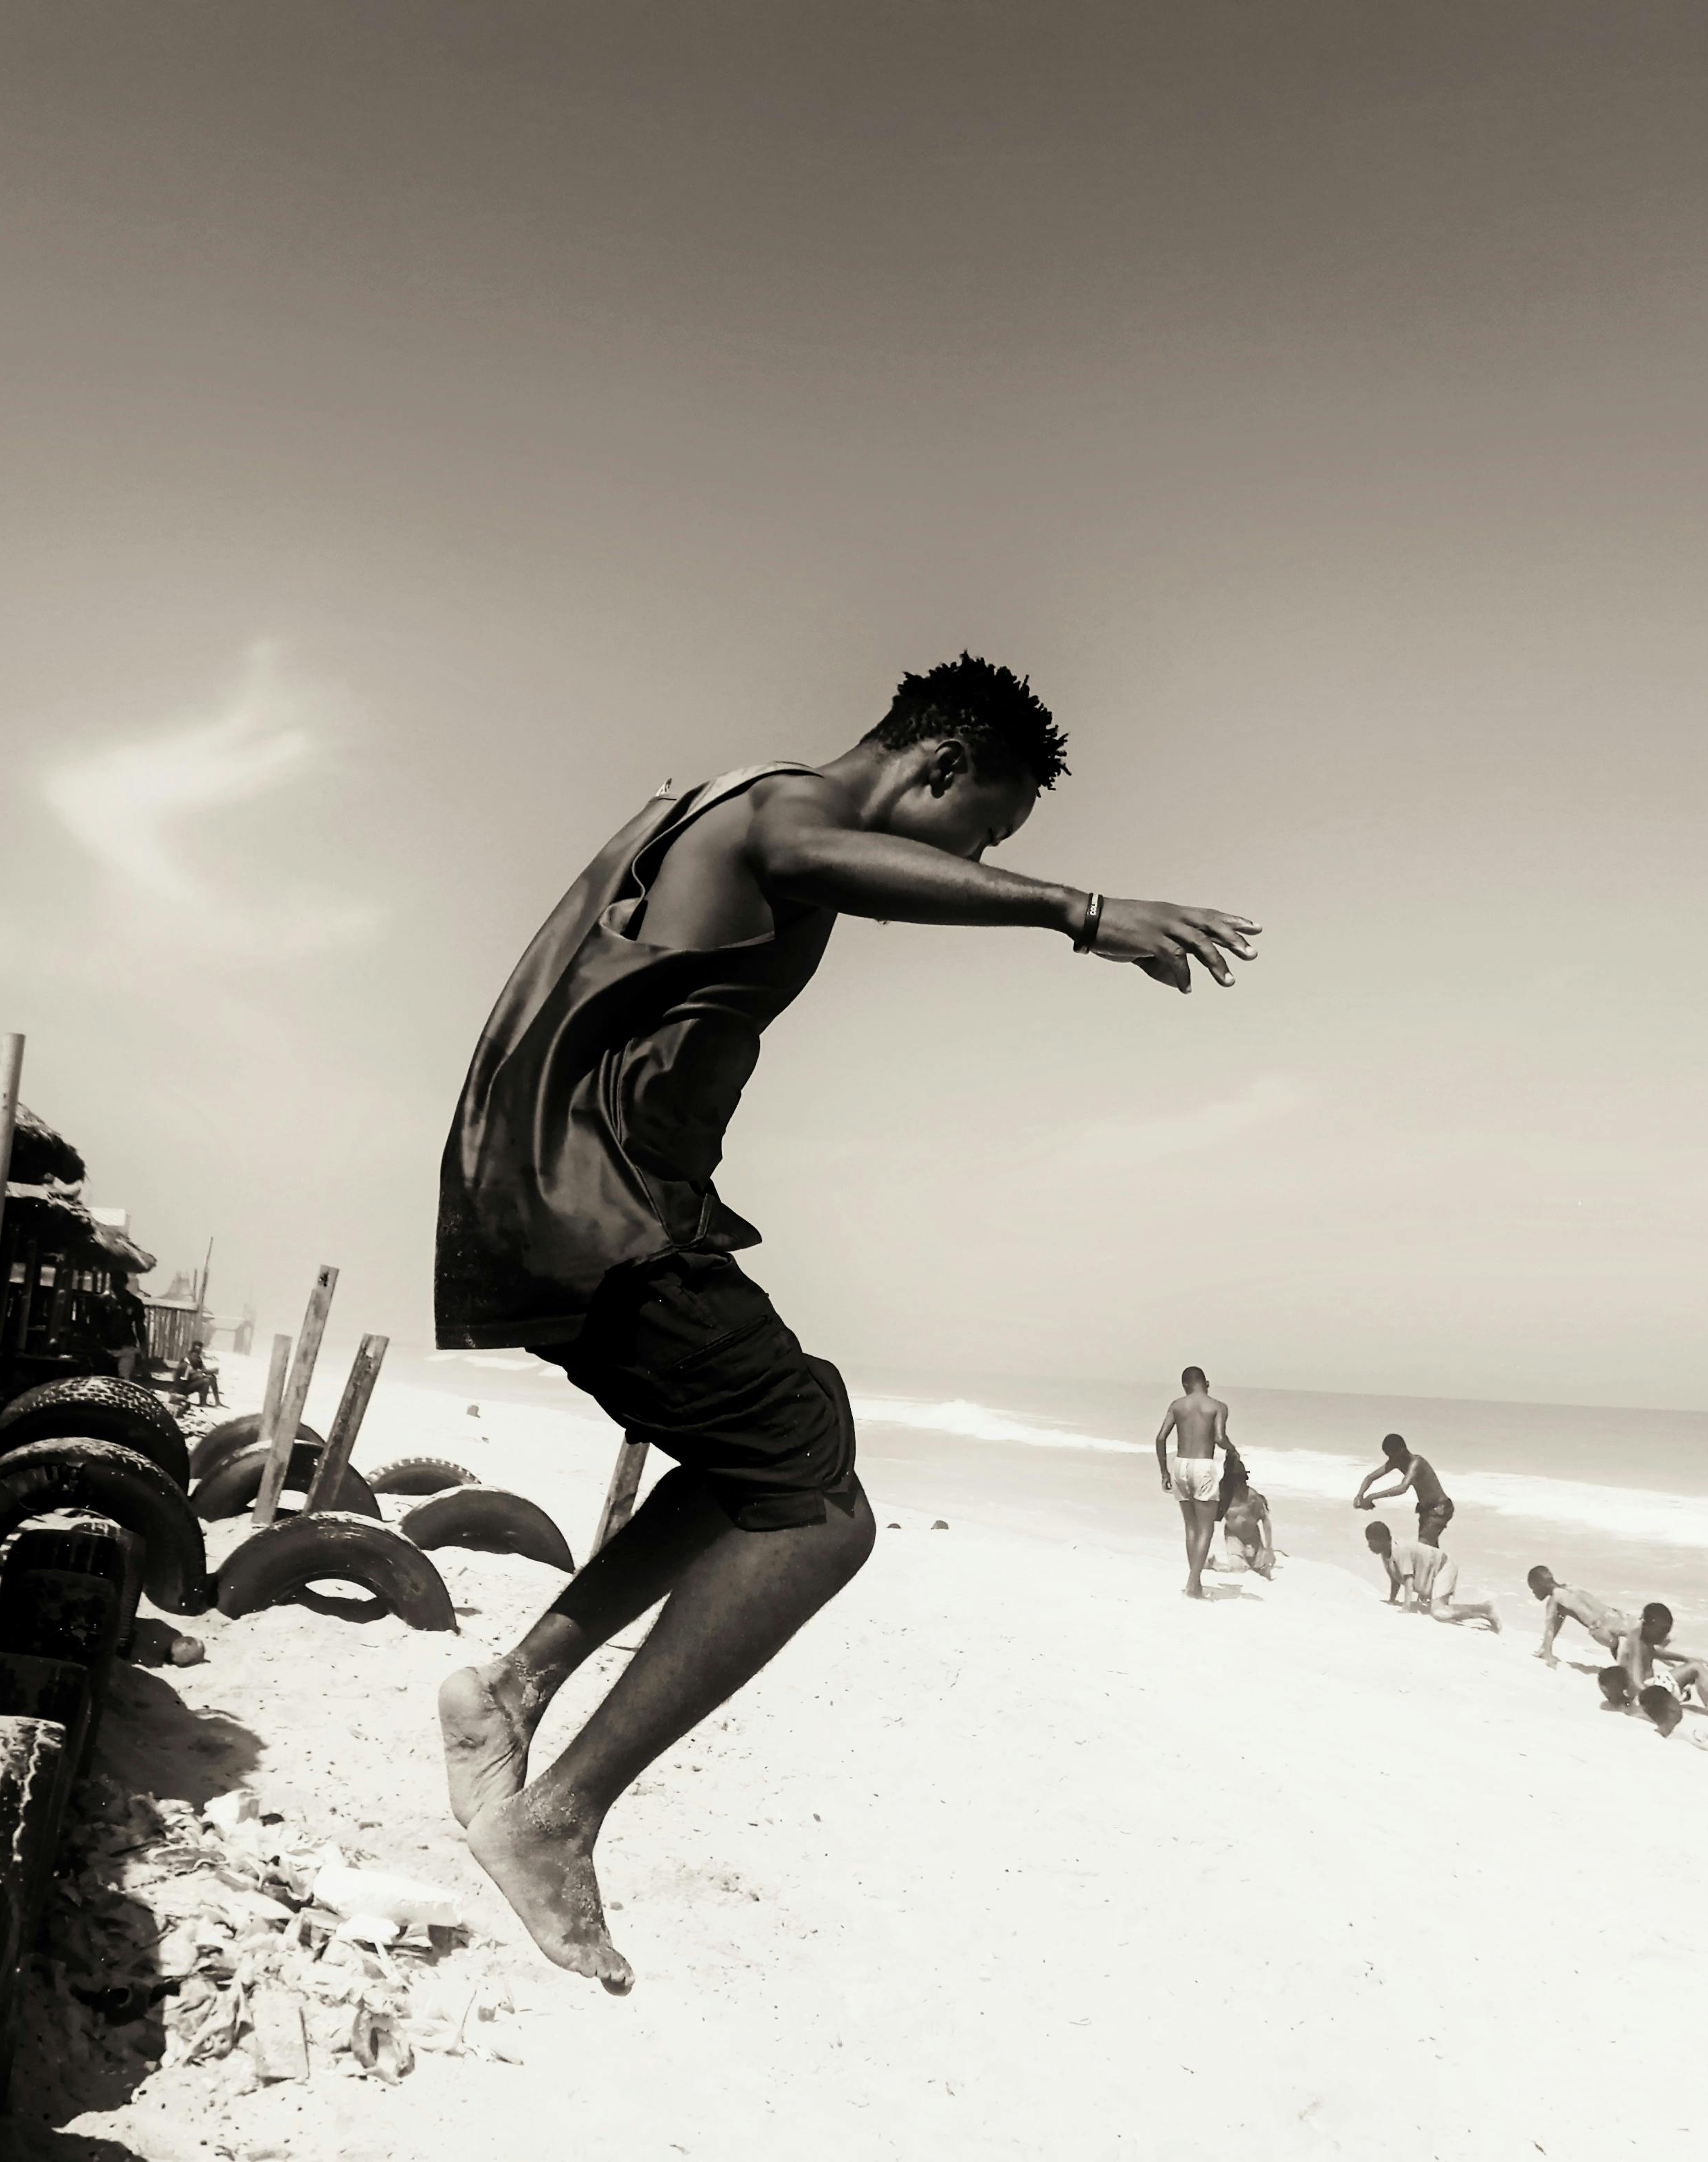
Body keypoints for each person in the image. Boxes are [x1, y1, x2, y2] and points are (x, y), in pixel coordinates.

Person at [430, 655, 1261, 1990]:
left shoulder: (731, 808)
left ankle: (513, 1691)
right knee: (822, 1516)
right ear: (935, 769)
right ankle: (556, 1819)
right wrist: (1080, 911)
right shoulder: (776, 813)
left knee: (796, 1418)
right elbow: (823, 854)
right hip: (595, 1212)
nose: (978, 854)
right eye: (984, 828)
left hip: (577, 1200)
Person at [1154, 1366, 1234, 1598]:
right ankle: (1192, 1583)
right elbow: (1219, 1439)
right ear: (1206, 1383)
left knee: (1191, 1527)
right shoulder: (1218, 1406)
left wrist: (1164, 1473)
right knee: (1206, 1528)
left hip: (1180, 1465)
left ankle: (1195, 1583)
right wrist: (1233, 1449)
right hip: (1202, 1466)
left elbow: (1160, 1438)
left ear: (1185, 1385)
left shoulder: (1177, 1405)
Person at [1363, 1521, 1499, 1628]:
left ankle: (1485, 1608)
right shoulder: (1386, 1552)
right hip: (1434, 1570)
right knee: (1442, 1612)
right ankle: (1483, 1612)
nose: (1369, 1546)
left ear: (1381, 1540)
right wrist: (1392, 1600)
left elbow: (1408, 1579)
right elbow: (1396, 1579)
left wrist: (1406, 1607)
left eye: (1371, 1541)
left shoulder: (1400, 1550)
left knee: (1439, 1613)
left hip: (1443, 1567)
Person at [1353, 1432, 1452, 1546]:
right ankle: (1443, 1564)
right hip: (1426, 1510)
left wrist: (1371, 1497)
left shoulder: (1417, 1463)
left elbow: (1402, 1488)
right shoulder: (1397, 1461)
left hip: (1440, 1508)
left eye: (1392, 1455)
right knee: (1430, 1550)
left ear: (1402, 1450)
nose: (1391, 1459)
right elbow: (1370, 1477)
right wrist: (1360, 1496)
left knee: (1423, 1548)